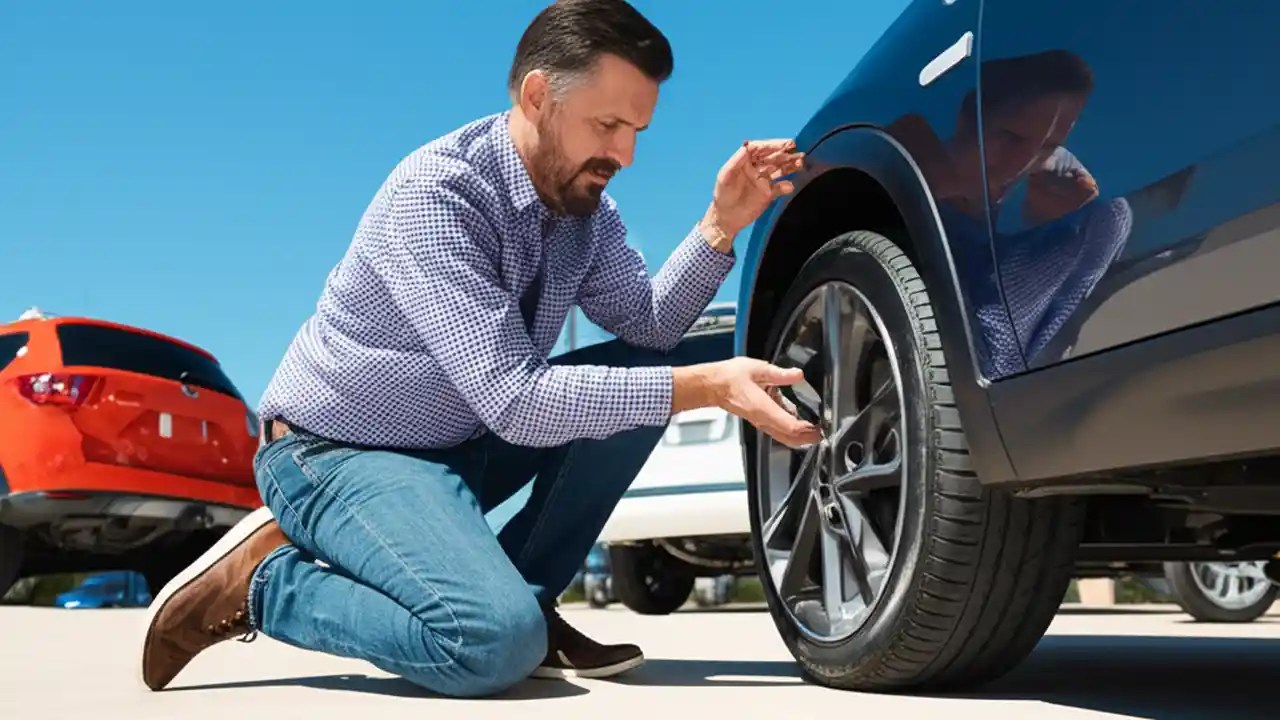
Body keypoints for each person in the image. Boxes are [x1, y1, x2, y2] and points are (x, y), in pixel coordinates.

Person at [138, 0, 820, 698]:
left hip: (461, 441)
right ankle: (267, 584)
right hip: (334, 455)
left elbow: (649, 329)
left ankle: (525, 594)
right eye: (608, 124)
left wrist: (720, 223)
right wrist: (704, 389)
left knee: (662, 365)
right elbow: (516, 401)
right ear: (537, 97)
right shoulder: (437, 196)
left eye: (638, 130)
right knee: (490, 645)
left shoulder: (585, 210)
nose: (625, 155)